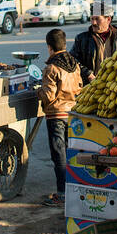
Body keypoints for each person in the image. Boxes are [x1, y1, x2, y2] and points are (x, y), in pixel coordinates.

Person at [37, 28, 83, 207]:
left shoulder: (52, 67)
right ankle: (75, 188)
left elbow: (48, 95)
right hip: (73, 113)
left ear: (49, 47)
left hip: (56, 115)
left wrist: (37, 92)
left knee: (59, 156)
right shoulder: (74, 64)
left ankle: (62, 195)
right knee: (71, 152)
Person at [71, 11, 117, 81]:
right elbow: (72, 59)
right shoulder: (82, 38)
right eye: (92, 19)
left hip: (116, 84)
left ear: (108, 19)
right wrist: (87, 73)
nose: (93, 23)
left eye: (97, 19)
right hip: (91, 84)